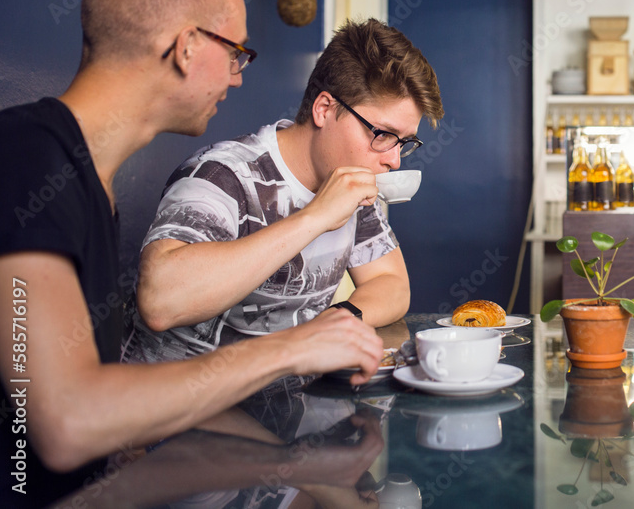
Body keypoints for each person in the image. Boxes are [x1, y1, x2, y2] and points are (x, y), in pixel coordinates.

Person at [0, 0, 384, 502]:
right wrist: (292, 347)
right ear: (185, 48)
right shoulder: (29, 156)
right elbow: (67, 422)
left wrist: (294, 467)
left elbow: (102, 435)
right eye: (236, 54)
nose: (238, 78)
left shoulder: (86, 183)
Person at [120, 18, 443, 365]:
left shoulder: (348, 180)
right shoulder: (224, 174)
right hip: (178, 408)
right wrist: (316, 216)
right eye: (382, 134)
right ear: (324, 109)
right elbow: (160, 301)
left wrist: (334, 323)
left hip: (286, 403)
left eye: (404, 142)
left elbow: (391, 282)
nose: (394, 160)